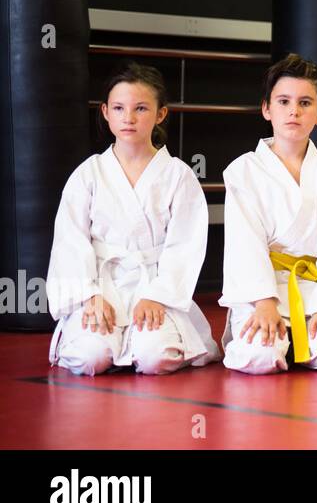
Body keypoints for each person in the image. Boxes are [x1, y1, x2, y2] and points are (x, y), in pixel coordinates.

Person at [47, 62, 219, 376]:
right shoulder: (89, 173)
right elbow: (70, 241)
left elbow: (185, 245)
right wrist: (88, 294)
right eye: (119, 108)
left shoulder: (178, 175)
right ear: (105, 112)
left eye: (141, 108)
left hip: (154, 283)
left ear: (160, 114)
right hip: (101, 285)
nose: (128, 117)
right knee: (89, 358)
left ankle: (150, 333)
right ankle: (100, 335)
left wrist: (158, 296)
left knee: (156, 358)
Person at [220, 54, 317, 375]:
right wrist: (263, 302)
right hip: (265, 287)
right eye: (284, 101)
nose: (294, 111)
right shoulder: (243, 171)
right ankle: (284, 341)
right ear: (266, 109)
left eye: (305, 102)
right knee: (258, 357)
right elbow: (244, 245)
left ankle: (297, 341)